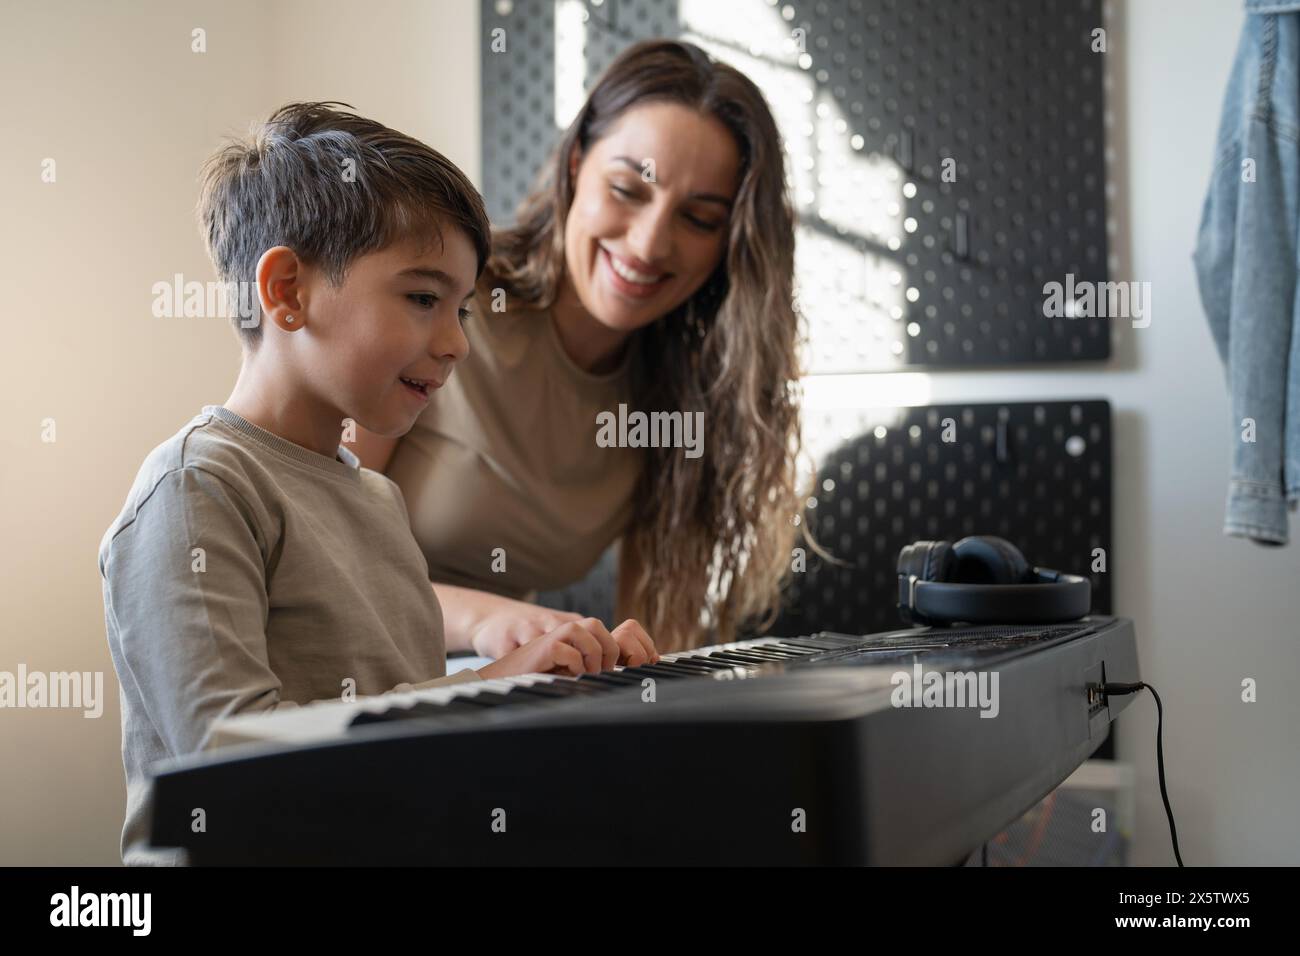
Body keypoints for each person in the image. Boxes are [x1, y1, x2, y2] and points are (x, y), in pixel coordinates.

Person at [97, 102, 658, 865]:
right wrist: (488, 687)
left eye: (461, 309)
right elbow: (230, 766)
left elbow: (404, 738)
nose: (458, 342)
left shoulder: (374, 497)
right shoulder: (200, 488)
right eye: (424, 299)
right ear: (287, 291)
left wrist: (559, 686)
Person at [352, 40, 809, 655]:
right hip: (344, 678)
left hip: (494, 694)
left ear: (730, 243)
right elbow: (320, 551)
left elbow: (657, 640)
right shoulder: (452, 297)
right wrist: (497, 625)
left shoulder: (682, 396)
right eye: (628, 189)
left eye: (699, 219)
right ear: (575, 166)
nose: (649, 245)